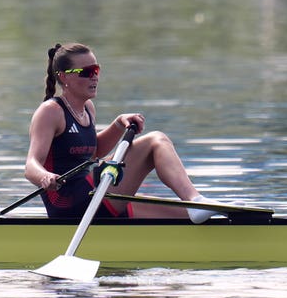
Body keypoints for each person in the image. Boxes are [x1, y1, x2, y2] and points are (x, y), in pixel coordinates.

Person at [23, 43, 219, 223]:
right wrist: (45, 177)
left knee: (187, 215)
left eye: (96, 70)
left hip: (93, 195)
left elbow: (93, 151)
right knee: (155, 141)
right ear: (64, 76)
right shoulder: (51, 111)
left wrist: (117, 125)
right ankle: (195, 198)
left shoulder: (88, 108)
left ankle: (204, 207)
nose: (94, 77)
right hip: (67, 202)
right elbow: (31, 165)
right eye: (86, 72)